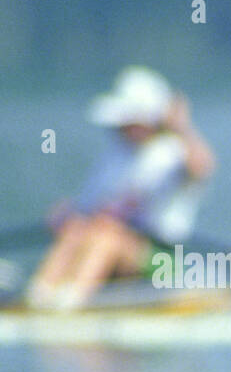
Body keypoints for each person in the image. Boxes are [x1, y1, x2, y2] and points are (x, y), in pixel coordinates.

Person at [24, 66, 216, 310]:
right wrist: (67, 214)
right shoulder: (116, 154)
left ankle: (71, 302)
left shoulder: (174, 153)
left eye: (127, 120)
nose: (120, 127)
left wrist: (182, 128)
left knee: (106, 236)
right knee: (76, 230)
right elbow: (88, 211)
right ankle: (39, 295)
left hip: (161, 259)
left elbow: (202, 169)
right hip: (110, 246)